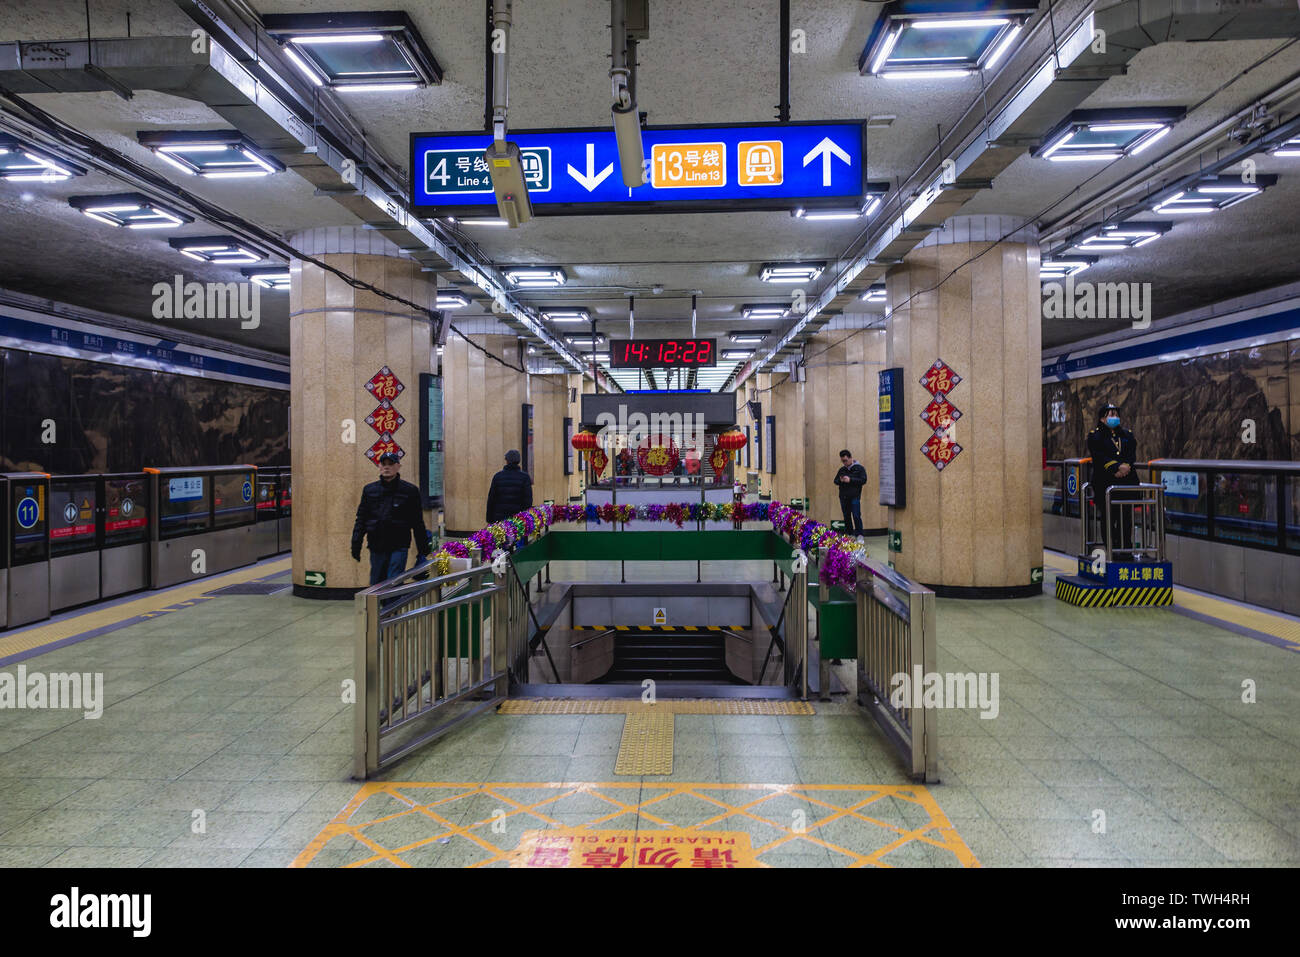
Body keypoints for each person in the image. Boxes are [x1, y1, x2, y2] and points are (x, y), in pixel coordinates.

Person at [351, 452, 431, 585]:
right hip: (377, 545)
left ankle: (392, 605)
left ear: (398, 466)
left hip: (399, 545)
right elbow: (361, 519)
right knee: (377, 582)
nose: (387, 467)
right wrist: (356, 543)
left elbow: (417, 522)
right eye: (384, 464)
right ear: (379, 466)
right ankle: (380, 606)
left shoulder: (410, 491)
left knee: (394, 581)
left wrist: (422, 548)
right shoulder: (370, 490)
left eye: (391, 464)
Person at [1085, 403, 1140, 557]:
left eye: (1116, 414)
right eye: (1111, 415)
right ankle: (1112, 548)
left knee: (1126, 517)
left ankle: (1126, 549)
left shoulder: (1127, 435)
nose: (1114, 418)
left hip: (1126, 482)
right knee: (1109, 517)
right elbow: (1099, 456)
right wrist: (1115, 468)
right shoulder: (1095, 436)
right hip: (1105, 482)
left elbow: (1131, 454)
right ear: (1102, 419)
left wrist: (1125, 467)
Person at [486, 448, 533, 524]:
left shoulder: (497, 476)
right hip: (518, 520)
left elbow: (491, 499)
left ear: (507, 461)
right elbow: (528, 500)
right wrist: (526, 518)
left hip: (500, 519)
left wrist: (489, 518)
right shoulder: (525, 477)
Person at [834, 449, 867, 537]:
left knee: (856, 515)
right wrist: (841, 480)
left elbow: (863, 480)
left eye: (845, 460)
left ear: (850, 458)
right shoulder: (842, 470)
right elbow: (835, 481)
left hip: (855, 496)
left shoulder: (860, 468)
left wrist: (850, 480)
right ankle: (849, 534)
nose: (844, 463)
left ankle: (859, 535)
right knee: (846, 516)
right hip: (843, 497)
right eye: (842, 461)